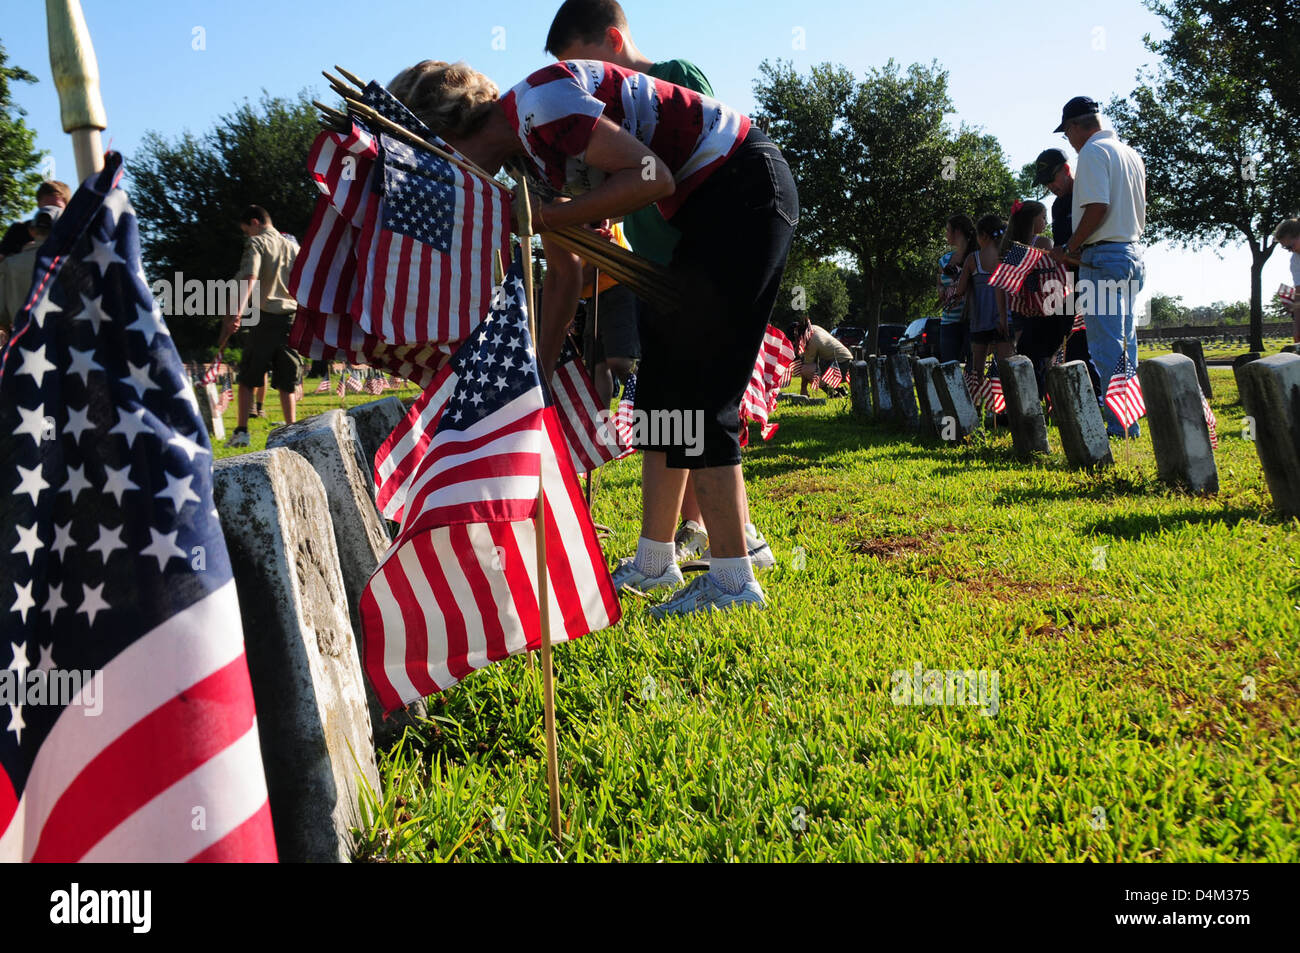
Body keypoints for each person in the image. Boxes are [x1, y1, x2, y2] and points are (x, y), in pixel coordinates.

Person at [387, 57, 796, 617]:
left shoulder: (540, 105)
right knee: (660, 391)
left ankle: (733, 580)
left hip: (741, 188)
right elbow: (565, 276)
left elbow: (654, 176)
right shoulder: (528, 164)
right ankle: (657, 562)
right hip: (701, 211)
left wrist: (555, 217)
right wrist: (539, 377)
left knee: (702, 392)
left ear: (451, 133)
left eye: (439, 163)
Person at [545, 0, 775, 572]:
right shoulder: (600, 116)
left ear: (613, 42)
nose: (580, 88)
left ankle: (735, 540)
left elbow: (700, 160)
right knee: (658, 410)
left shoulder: (673, 77)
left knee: (698, 405)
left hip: (699, 259)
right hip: (654, 268)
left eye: (584, 67)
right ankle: (659, 554)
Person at [1050, 96, 1147, 437]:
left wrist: (1071, 246)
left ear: (1076, 126)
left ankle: (1120, 427)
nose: (1070, 141)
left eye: (1067, 133)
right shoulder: (1130, 154)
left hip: (1102, 256)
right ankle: (1129, 420)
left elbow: (1096, 208)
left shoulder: (1091, 152)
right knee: (1126, 344)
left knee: (1105, 346)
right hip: (1131, 252)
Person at [218, 205, 303, 447]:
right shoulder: (293, 246)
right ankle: (293, 432)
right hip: (291, 318)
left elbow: (250, 278)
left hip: (265, 318)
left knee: (247, 378)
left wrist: (236, 313)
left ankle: (242, 432)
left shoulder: (257, 244)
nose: (247, 235)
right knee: (288, 380)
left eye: (247, 230)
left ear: (255, 222)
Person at [579, 220, 639, 407]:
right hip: (592, 299)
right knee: (597, 365)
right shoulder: (564, 228)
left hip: (618, 290)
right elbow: (575, 279)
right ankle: (601, 424)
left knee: (620, 360)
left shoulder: (603, 218)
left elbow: (616, 256)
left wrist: (603, 246)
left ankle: (644, 401)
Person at [1000, 200, 1058, 394]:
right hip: (1042, 308)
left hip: (1018, 308)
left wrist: (1002, 314)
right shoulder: (1042, 243)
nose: (1046, 222)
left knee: (1024, 355)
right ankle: (1048, 395)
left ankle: (1029, 394)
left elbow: (1005, 284)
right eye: (1043, 217)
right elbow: (1052, 276)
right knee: (1047, 357)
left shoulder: (1012, 249)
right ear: (1031, 219)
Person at [953, 214, 1013, 380]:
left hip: (980, 320)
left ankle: (978, 402)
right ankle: (1005, 404)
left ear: (983, 236)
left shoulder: (973, 259)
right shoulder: (1008, 256)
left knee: (977, 368)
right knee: (1005, 369)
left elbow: (960, 290)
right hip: (1005, 319)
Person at [0, 208, 60, 336]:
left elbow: (1, 315)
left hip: (22, 344)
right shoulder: (71, 265)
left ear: (31, 231)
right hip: (60, 345)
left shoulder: (9, 265)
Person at [938, 213, 975, 364]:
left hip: (971, 320)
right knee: (948, 366)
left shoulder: (976, 256)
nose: (946, 234)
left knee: (972, 367)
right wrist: (940, 290)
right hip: (948, 320)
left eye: (948, 230)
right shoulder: (944, 259)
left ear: (958, 231)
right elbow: (940, 282)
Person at [791, 314, 851, 397]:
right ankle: (840, 390)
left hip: (842, 366)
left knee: (807, 370)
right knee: (810, 368)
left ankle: (833, 394)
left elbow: (807, 369)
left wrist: (803, 389)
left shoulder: (810, 342)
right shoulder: (813, 328)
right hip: (845, 362)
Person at [1275, 219, 1300, 341]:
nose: (1291, 250)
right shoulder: (1295, 261)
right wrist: (1297, 326)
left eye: (1290, 246)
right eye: (1286, 248)